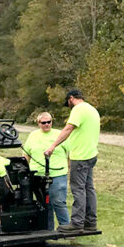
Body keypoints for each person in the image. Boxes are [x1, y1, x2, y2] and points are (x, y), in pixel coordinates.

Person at [44, 88, 99, 233]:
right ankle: (91, 222)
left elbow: (68, 129)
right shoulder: (92, 109)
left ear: (71, 98)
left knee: (78, 189)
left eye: (68, 103)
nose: (69, 106)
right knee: (89, 189)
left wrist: (53, 146)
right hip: (91, 154)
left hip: (80, 156)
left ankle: (77, 223)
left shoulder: (79, 109)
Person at [22, 112, 70, 229]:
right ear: (38, 123)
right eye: (44, 123)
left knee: (58, 202)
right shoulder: (33, 135)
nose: (47, 124)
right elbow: (26, 155)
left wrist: (68, 167)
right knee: (44, 204)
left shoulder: (59, 135)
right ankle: (47, 229)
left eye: (49, 122)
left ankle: (66, 228)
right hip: (38, 175)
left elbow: (70, 153)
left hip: (57, 174)